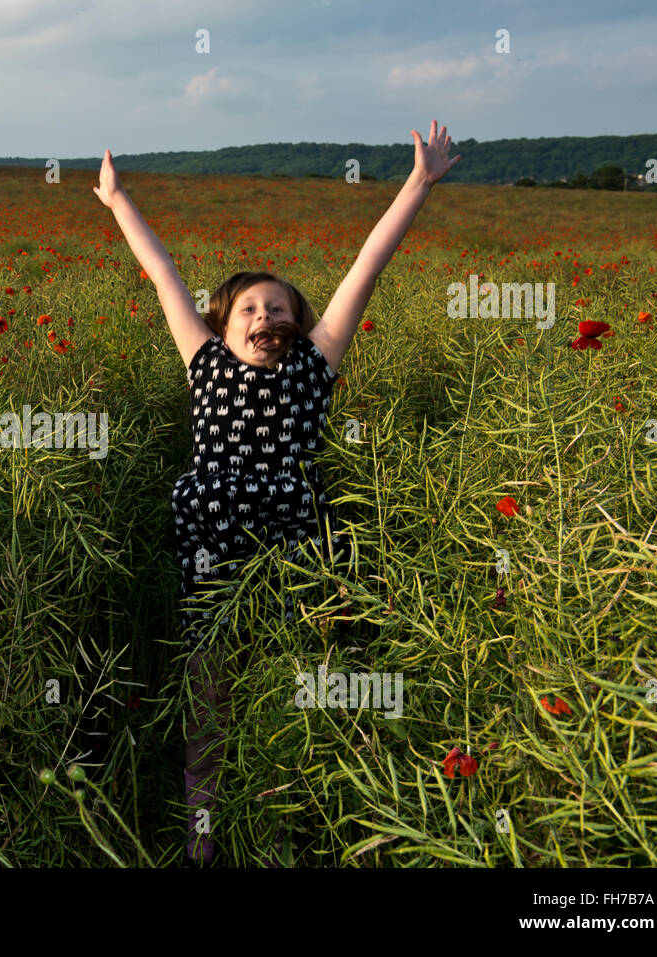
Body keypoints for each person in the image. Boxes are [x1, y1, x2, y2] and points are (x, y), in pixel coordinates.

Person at [93, 121, 462, 867]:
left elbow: (365, 267)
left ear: (300, 326)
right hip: (211, 552)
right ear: (221, 326)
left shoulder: (312, 370)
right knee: (209, 692)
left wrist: (418, 184)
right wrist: (117, 199)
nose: (268, 317)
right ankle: (202, 834)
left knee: (296, 682)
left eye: (281, 308)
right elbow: (163, 274)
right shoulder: (204, 365)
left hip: (295, 548)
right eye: (251, 310)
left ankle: (288, 826)